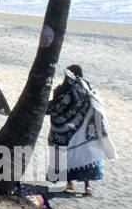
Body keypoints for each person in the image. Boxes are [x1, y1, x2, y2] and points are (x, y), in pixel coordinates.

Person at [46, 65, 116, 196]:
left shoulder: (65, 90)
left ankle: (69, 182)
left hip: (64, 131)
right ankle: (87, 186)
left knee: (64, 153)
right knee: (84, 155)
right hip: (83, 129)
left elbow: (58, 105)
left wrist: (44, 107)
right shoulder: (87, 87)